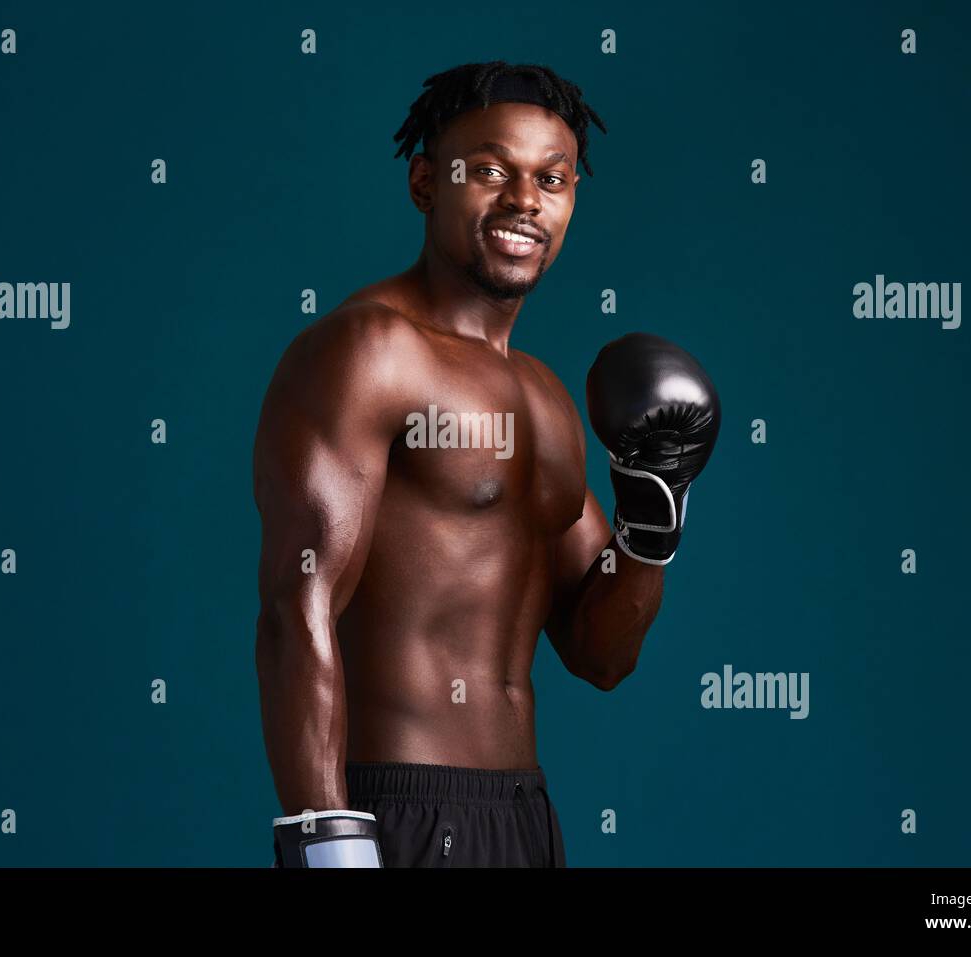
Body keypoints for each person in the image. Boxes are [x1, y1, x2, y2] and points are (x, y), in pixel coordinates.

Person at [256, 61, 720, 868]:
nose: (524, 200)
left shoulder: (544, 396)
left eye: (553, 178)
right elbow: (299, 608)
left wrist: (655, 512)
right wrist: (326, 840)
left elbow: (600, 654)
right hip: (396, 809)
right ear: (426, 181)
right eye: (493, 170)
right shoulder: (369, 351)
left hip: (523, 817)